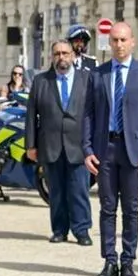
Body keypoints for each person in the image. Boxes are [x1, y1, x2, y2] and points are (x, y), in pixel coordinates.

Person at [83, 22, 138, 276]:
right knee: (107, 208)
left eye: (123, 40)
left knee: (132, 209)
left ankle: (128, 261)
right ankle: (109, 260)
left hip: (134, 151)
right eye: (114, 40)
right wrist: (86, 149)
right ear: (109, 42)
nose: (118, 45)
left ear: (132, 42)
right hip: (105, 149)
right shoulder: (98, 74)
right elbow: (88, 116)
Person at [24, 40, 93, 245]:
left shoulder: (87, 79)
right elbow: (31, 115)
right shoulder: (41, 81)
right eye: (57, 54)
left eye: (65, 53)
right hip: (50, 144)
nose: (61, 57)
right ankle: (59, 230)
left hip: (78, 144)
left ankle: (82, 230)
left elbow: (95, 113)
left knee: (79, 189)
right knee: (56, 190)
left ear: (72, 55)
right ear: (51, 57)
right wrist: (30, 145)